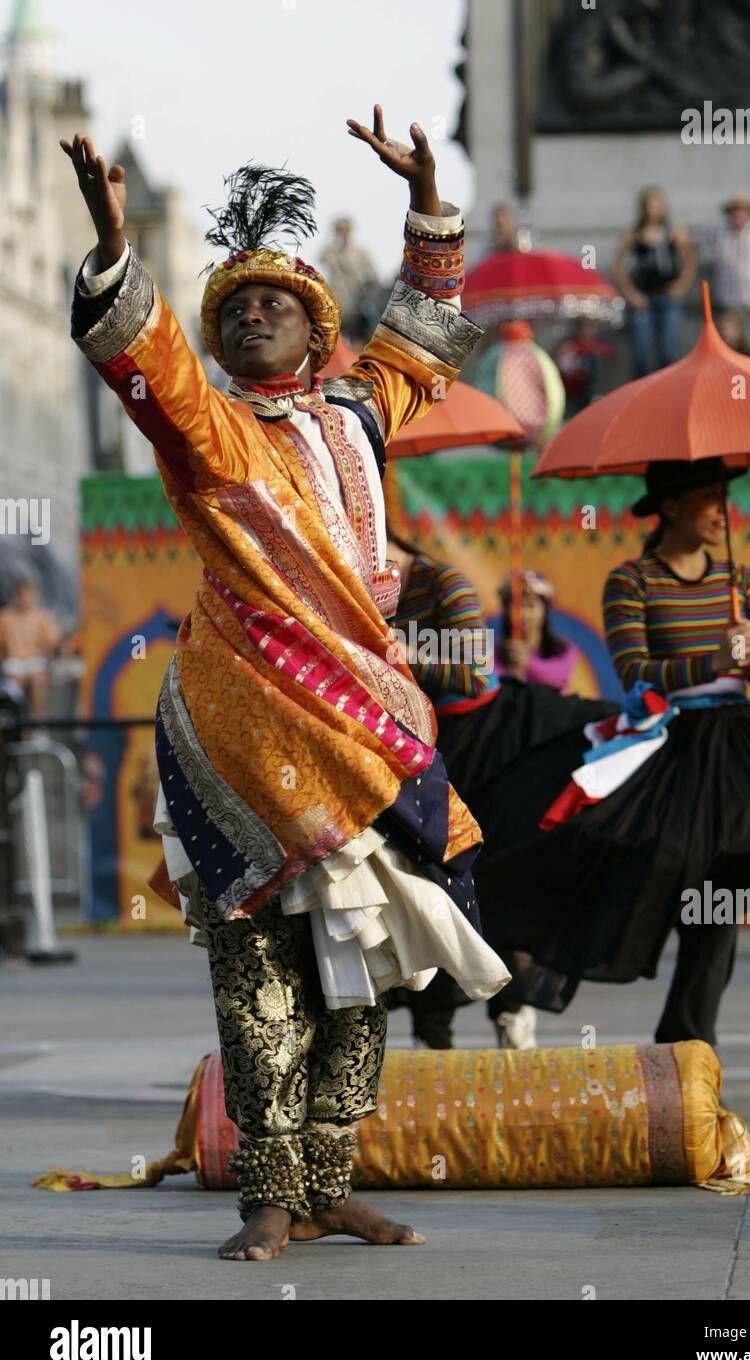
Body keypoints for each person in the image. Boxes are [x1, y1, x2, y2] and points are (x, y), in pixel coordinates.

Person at [61, 109, 509, 1262]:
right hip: (243, 728)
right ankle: (267, 1190)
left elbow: (426, 328)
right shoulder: (206, 431)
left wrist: (426, 207)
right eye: (237, 309)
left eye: (278, 305)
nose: (254, 315)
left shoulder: (363, 407)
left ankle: (329, 1179)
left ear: (318, 331)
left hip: (368, 727)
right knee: (258, 965)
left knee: (355, 959)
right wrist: (116, 244)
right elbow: (145, 362)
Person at [472, 457, 750, 1045]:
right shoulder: (632, 580)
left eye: (724, 497)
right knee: (621, 861)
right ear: (671, 506)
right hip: (669, 743)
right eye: (710, 497)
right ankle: (529, 983)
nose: (723, 510)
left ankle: (689, 1045)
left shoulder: (742, 581)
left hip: (743, 746)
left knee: (728, 887)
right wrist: (711, 663)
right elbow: (634, 672)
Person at [385, 535, 616, 1048]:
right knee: (423, 891)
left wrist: (405, 657)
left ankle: (511, 1010)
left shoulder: (442, 583)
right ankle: (431, 1033)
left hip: (488, 743)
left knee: (491, 881)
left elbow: (471, 674)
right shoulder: (356, 588)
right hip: (418, 749)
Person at [613, 186, 695, 378]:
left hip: (667, 297)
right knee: (641, 352)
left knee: (669, 350)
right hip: (644, 298)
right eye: (648, 206)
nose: (652, 210)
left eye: (656, 205)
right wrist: (630, 292)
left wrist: (682, 285)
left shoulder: (674, 231)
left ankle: (669, 394)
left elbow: (690, 259)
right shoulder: (634, 234)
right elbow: (618, 265)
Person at [702, 194, 750, 359]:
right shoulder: (719, 233)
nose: (738, 215)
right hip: (731, 300)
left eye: (742, 211)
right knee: (737, 347)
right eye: (734, 211)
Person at [496, 571, 579, 694]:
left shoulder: (563, 649)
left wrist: (528, 663)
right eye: (516, 606)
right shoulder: (493, 650)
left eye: (530, 605)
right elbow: (485, 684)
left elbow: (557, 678)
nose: (523, 614)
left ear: (545, 609)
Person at [0, 577, 61, 719]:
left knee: (37, 682)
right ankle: (14, 725)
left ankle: (36, 726)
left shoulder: (42, 617)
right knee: (13, 686)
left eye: (28, 595)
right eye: (21, 595)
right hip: (13, 664)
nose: (25, 599)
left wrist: (48, 668)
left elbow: (52, 645)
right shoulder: (5, 617)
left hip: (35, 663)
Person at [319, 215, 379, 346]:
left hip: (356, 301)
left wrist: (367, 292)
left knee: (357, 337)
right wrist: (332, 237)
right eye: (340, 229)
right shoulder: (331, 251)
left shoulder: (360, 252)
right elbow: (322, 258)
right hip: (337, 299)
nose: (343, 232)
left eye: (346, 229)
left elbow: (374, 275)